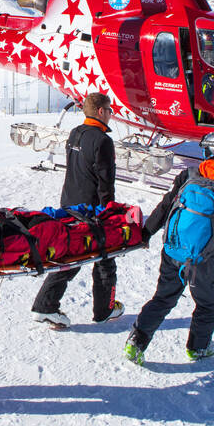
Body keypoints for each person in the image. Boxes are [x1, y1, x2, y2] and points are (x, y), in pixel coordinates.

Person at [124, 131, 214, 365]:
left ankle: (136, 342)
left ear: (206, 151)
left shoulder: (187, 175)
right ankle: (197, 347)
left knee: (163, 298)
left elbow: (166, 206)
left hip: (173, 250)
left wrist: (145, 234)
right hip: (202, 260)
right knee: (208, 303)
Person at [29, 93, 125, 329]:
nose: (112, 114)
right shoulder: (102, 141)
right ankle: (104, 309)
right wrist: (109, 212)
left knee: (71, 256)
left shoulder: (76, 133)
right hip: (91, 209)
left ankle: (46, 305)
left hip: (69, 203)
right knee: (105, 255)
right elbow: (105, 182)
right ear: (101, 112)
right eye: (110, 110)